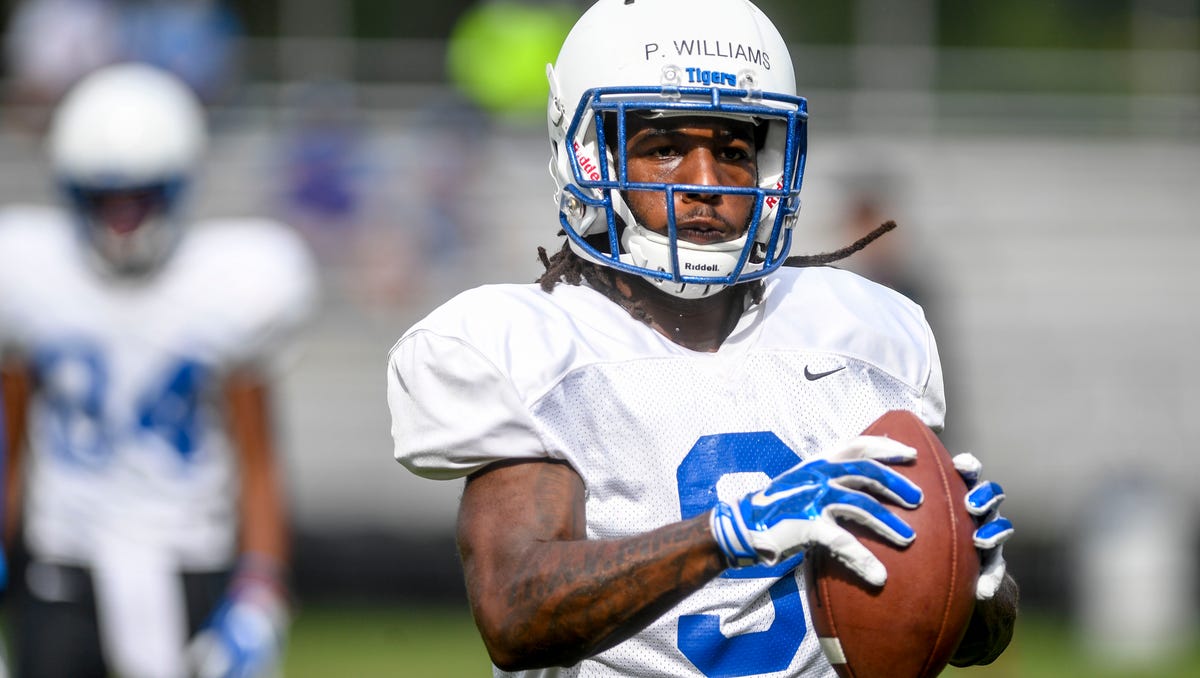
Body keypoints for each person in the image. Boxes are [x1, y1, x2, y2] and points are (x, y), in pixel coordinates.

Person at [386, 1, 1017, 676]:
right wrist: (725, 535)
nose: (706, 183)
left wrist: (967, 581)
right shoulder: (531, 343)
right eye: (663, 148)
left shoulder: (862, 336)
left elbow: (973, 638)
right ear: (586, 153)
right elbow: (514, 612)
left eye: (733, 151)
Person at [0, 62, 316, 678]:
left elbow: (257, 458)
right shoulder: (29, 276)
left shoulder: (228, 285)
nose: (123, 220)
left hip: (188, 557)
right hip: (63, 558)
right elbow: (8, 442)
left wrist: (260, 591)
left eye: (139, 197)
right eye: (105, 199)